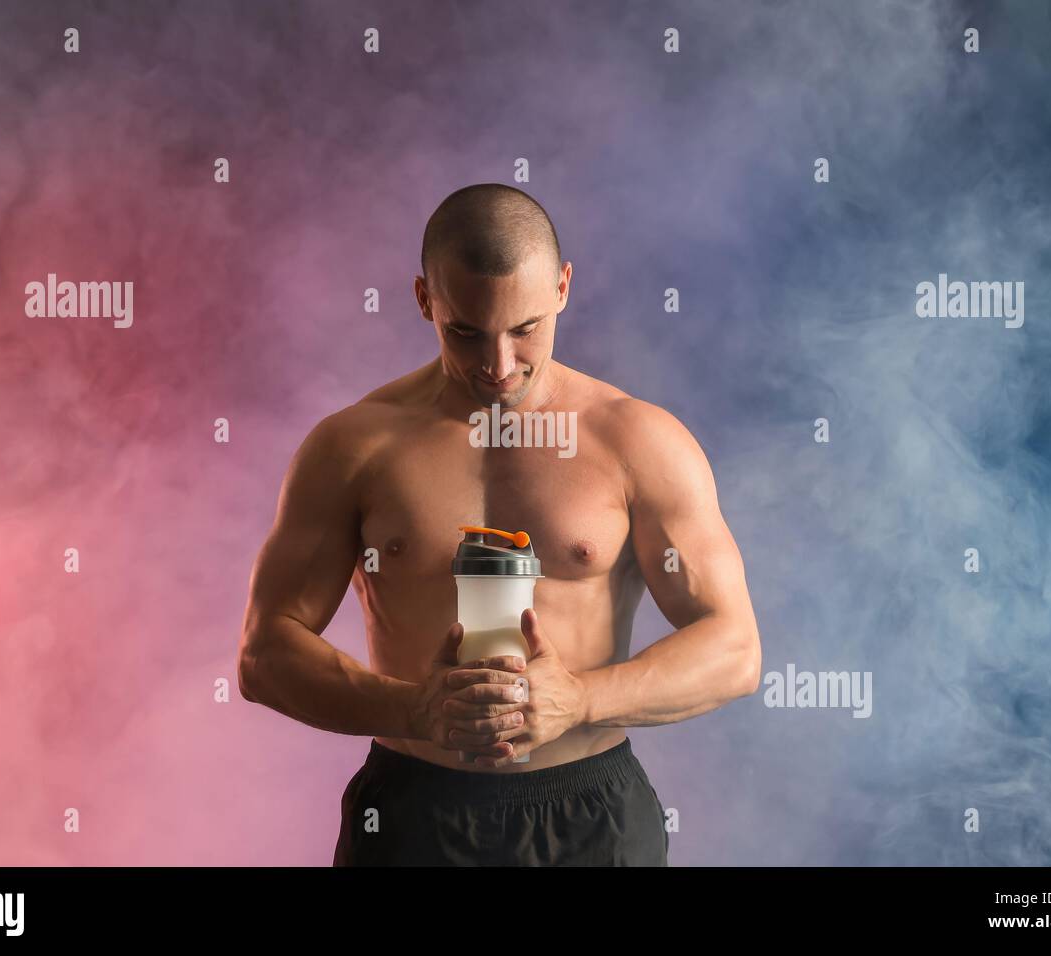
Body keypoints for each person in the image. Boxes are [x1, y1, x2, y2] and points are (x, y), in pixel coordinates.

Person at [237, 183, 762, 865]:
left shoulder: (637, 441)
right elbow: (265, 654)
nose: (498, 365)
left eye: (525, 329)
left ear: (563, 287)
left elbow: (734, 650)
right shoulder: (353, 447)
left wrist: (580, 699)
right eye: (466, 332)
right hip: (412, 813)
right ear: (424, 299)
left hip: (592, 817)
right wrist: (414, 711)